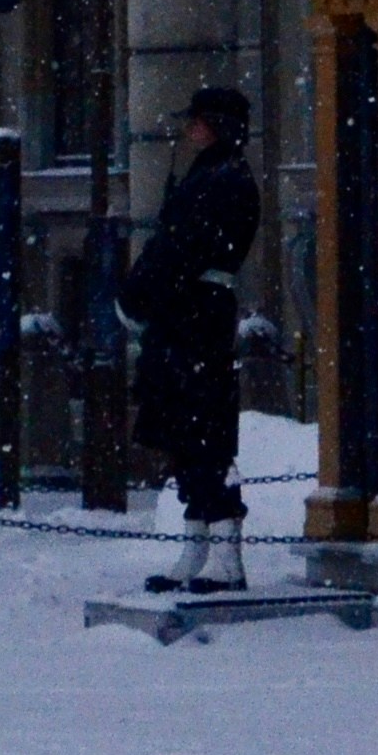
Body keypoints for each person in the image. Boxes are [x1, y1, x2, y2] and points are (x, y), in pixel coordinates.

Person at [127, 83, 258, 593]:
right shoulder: (210, 175)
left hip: (196, 320)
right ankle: (198, 544)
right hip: (185, 319)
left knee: (205, 432)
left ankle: (224, 553)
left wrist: (138, 294)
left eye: (198, 120)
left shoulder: (222, 180)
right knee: (187, 433)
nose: (189, 129)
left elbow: (177, 249)